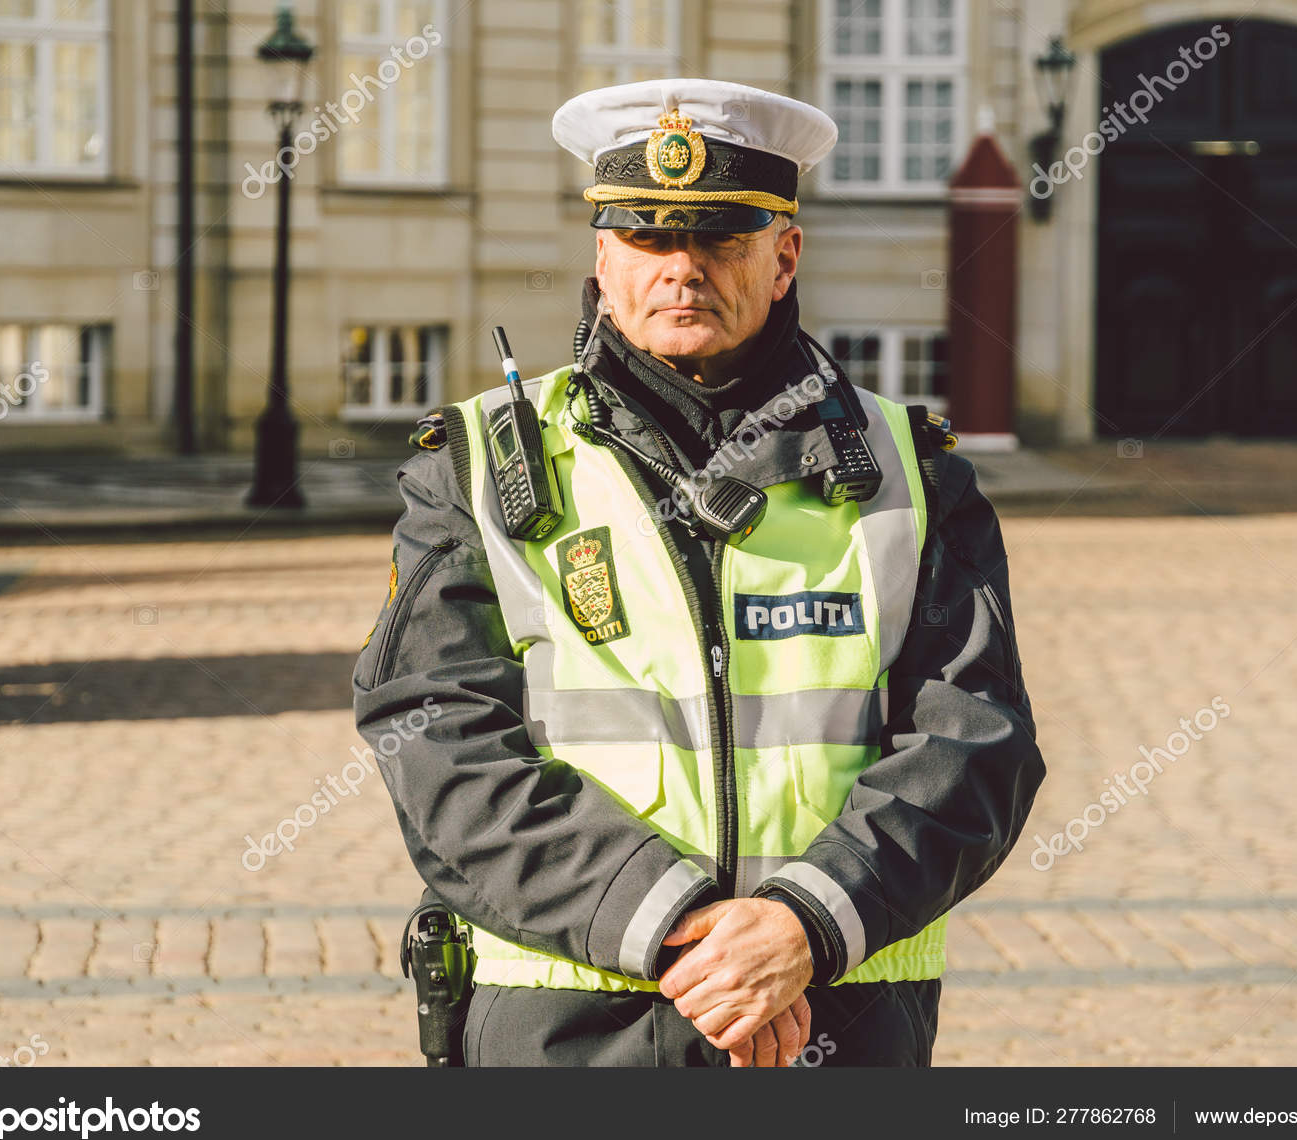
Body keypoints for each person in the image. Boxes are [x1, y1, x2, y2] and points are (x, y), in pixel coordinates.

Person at [353, 78, 1046, 1067]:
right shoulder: (473, 467)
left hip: (834, 1021)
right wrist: (681, 928)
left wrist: (802, 926)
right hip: (564, 1027)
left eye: (720, 237)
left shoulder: (912, 472)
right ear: (603, 255)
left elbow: (978, 744)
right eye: (645, 238)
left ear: (783, 255)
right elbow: (437, 744)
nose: (681, 269)